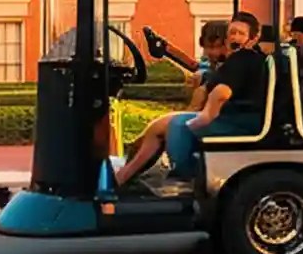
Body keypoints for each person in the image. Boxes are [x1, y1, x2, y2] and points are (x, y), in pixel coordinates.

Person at [114, 11, 266, 188]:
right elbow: (196, 68)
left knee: (168, 125)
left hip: (233, 119)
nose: (213, 52)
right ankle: (126, 173)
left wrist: (201, 115)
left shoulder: (241, 61)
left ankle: (127, 176)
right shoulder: (231, 63)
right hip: (229, 115)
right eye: (233, 33)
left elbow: (219, 92)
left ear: (252, 38)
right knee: (159, 127)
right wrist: (167, 50)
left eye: (240, 34)